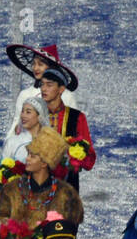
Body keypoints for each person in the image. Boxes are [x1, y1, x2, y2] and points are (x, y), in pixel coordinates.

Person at [36, 54, 96, 191]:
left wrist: (75, 156)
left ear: (61, 89)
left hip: (67, 188)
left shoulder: (76, 117)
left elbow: (90, 159)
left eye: (49, 85)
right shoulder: (35, 115)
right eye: (42, 84)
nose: (44, 89)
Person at [6, 43, 77, 136]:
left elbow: (74, 126)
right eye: (33, 64)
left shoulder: (66, 95)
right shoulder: (25, 94)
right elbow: (16, 122)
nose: (35, 68)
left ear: (51, 67)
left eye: (40, 64)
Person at [0, 96, 49, 190]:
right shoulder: (13, 142)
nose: (23, 115)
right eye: (22, 111)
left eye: (28, 112)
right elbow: (0, 175)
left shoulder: (50, 142)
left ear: (39, 116)